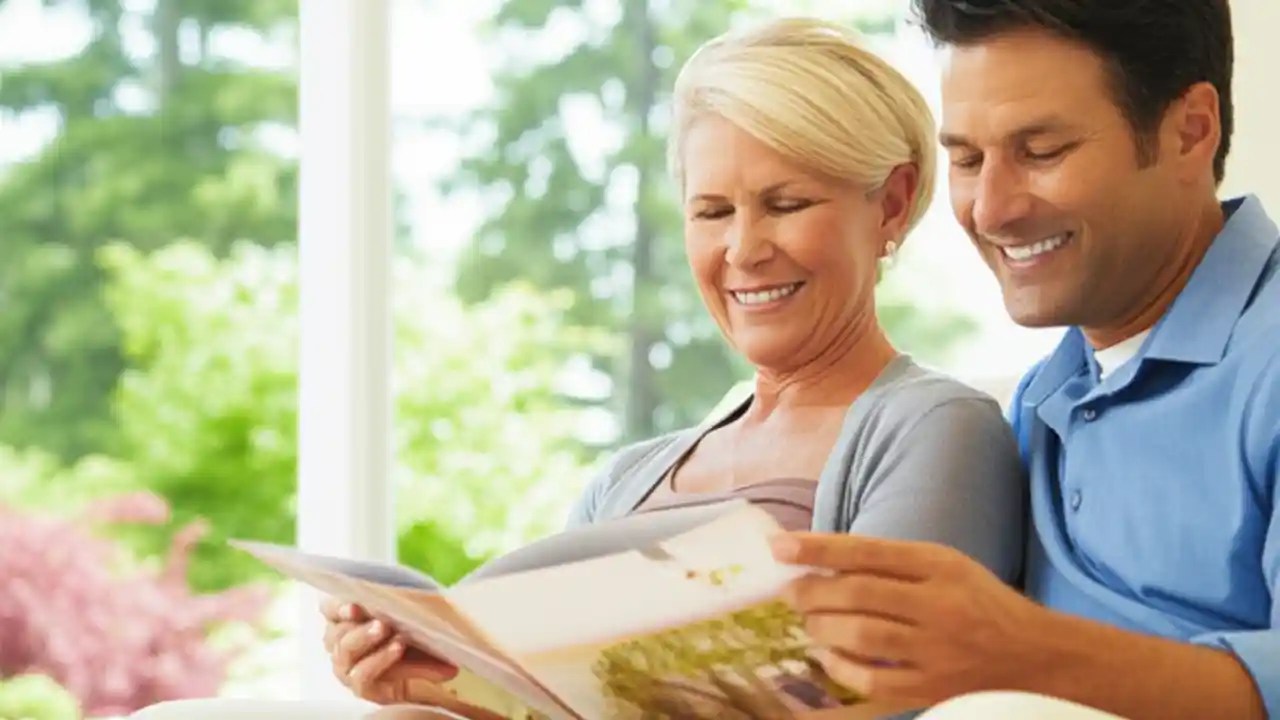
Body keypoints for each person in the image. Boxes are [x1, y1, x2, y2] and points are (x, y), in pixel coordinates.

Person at [318, 18, 1026, 719]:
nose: (743, 250)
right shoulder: (624, 482)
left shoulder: (935, 427)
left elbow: (883, 694)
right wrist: (433, 680)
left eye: (786, 204)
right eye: (712, 212)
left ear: (892, 205)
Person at [771, 1, 1279, 719]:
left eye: (1042, 152)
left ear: (1188, 132)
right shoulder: (1041, 403)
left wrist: (1027, 651)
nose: (991, 209)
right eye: (968, 160)